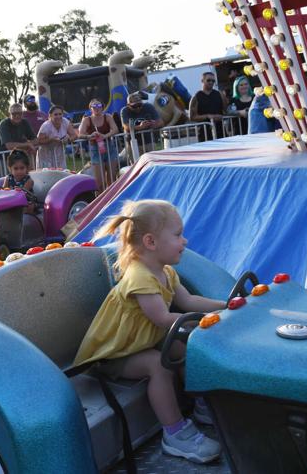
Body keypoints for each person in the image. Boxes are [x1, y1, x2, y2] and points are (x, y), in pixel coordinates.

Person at [74, 199, 224, 464]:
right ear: (151, 242)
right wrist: (202, 321)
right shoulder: (140, 277)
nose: (185, 241)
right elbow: (163, 317)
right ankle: (175, 433)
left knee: (186, 347)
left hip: (142, 341)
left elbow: (188, 302)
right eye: (177, 235)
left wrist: (226, 307)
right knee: (159, 364)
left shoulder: (165, 271)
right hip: (115, 353)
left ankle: (202, 406)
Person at [78, 98, 120, 191]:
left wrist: (105, 136)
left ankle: (112, 199)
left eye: (99, 106)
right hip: (95, 149)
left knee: (112, 179)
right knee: (99, 182)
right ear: (90, 108)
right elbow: (80, 134)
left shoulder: (108, 116)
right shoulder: (87, 120)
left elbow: (115, 129)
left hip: (109, 147)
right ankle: (101, 201)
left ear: (102, 107)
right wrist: (89, 136)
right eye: (94, 106)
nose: (97, 108)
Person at [36, 105, 78, 170]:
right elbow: (38, 141)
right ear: (50, 116)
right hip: (45, 155)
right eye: (55, 114)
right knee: (48, 177)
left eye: (60, 114)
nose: (58, 116)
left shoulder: (65, 122)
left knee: (61, 175)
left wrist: (68, 139)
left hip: (59, 155)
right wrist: (51, 139)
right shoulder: (46, 126)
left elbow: (74, 135)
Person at [189, 72, 228, 138]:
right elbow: (192, 117)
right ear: (202, 81)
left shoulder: (220, 94)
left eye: (213, 81)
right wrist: (208, 116)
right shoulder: (196, 97)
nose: (211, 82)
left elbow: (225, 111)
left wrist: (221, 116)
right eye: (208, 80)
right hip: (204, 133)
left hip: (220, 131)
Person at [2, 149, 36, 214]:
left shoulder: (29, 180)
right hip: (11, 202)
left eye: (22, 168)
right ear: (10, 168)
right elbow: (3, 192)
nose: (19, 171)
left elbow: (22, 195)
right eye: (16, 168)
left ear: (27, 168)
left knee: (30, 206)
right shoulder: (8, 179)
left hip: (25, 202)